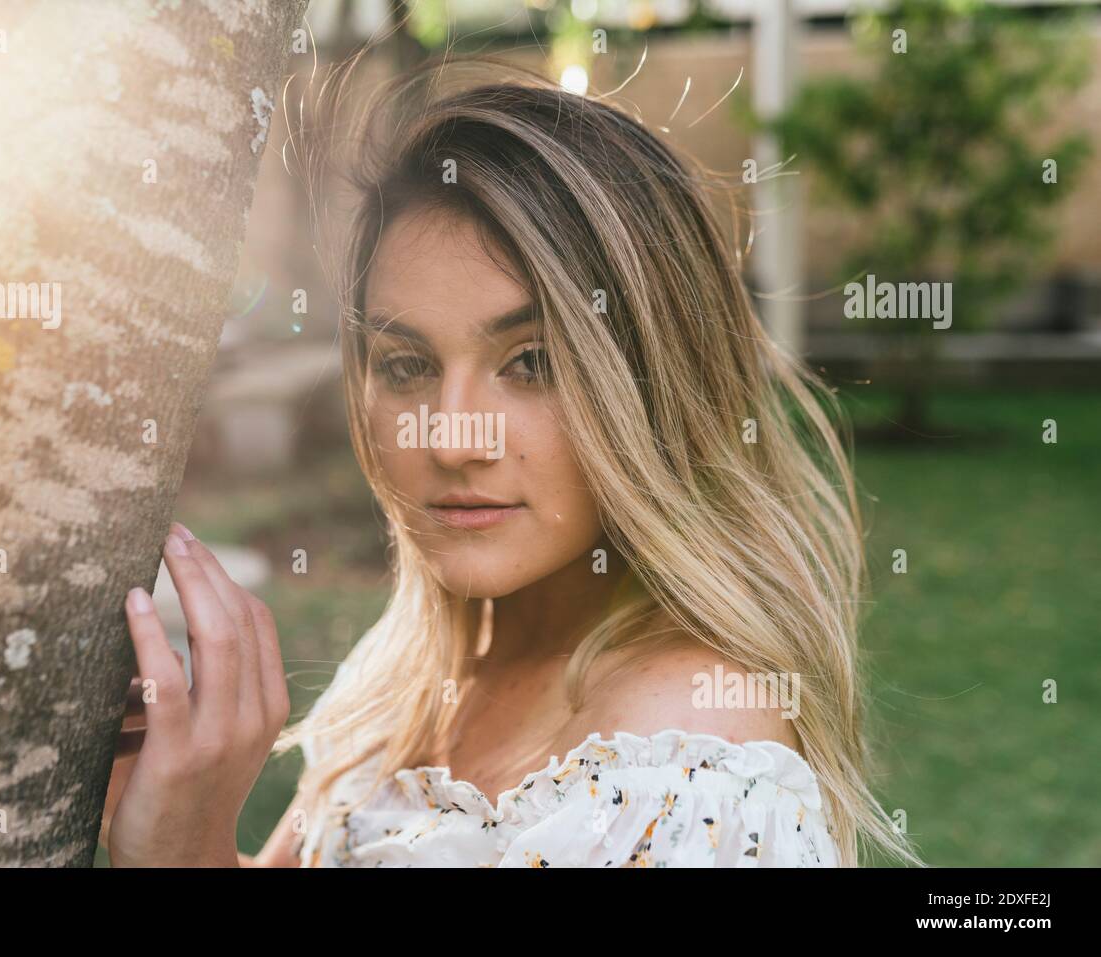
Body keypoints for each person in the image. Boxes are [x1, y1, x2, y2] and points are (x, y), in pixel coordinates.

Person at [101, 66, 922, 868]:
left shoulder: (682, 767)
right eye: (406, 365)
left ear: (663, 379)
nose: (451, 438)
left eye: (532, 361)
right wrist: (176, 810)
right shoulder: (415, 677)